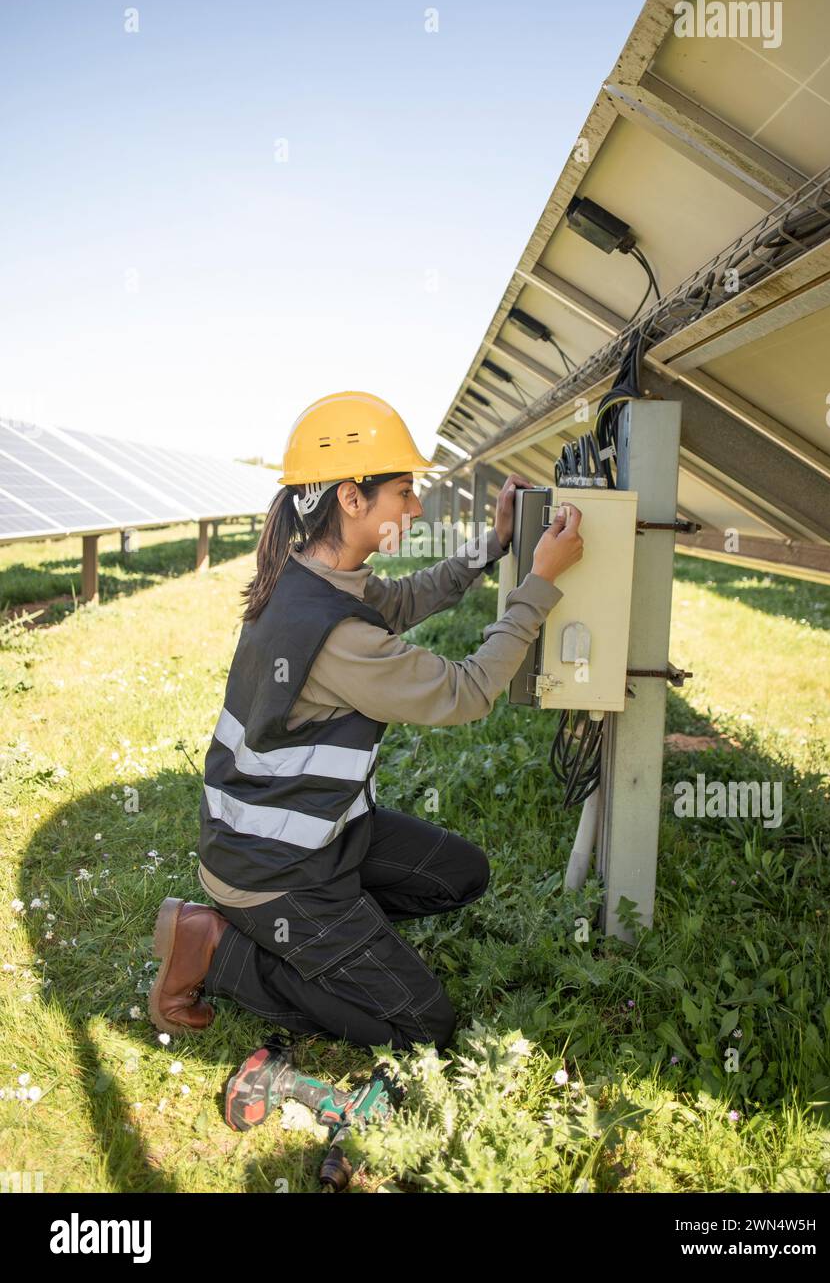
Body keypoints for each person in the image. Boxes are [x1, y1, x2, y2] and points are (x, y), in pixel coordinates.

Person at [148, 390, 583, 1085]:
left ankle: (335, 939)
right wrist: (537, 585)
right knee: (421, 1023)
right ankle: (220, 950)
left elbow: (406, 601)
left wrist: (494, 544)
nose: (414, 511)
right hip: (274, 871)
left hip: (314, 836)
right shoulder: (338, 633)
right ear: (352, 499)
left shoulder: (315, 578)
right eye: (404, 493)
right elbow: (466, 692)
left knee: (459, 874)